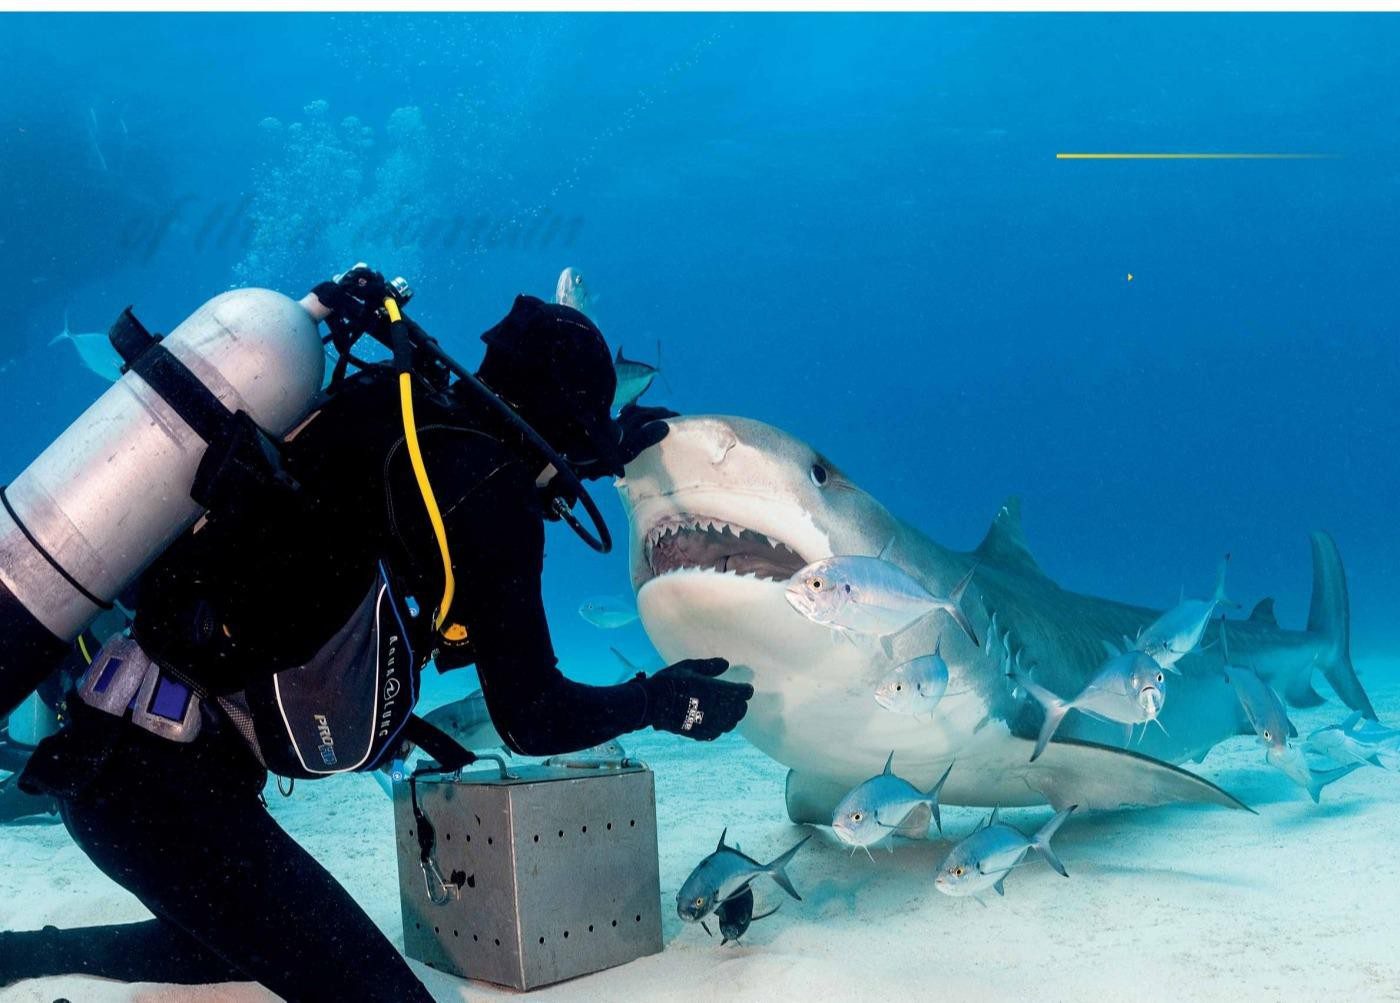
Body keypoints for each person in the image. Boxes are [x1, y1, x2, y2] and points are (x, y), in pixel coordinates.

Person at [0, 269, 753, 1001]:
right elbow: (533, 716)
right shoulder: (491, 496)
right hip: (164, 799)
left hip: (119, 767)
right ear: (560, 423)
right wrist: (660, 701)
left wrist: (597, 442)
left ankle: (32, 955)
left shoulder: (383, 411)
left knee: (234, 942)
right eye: (580, 436)